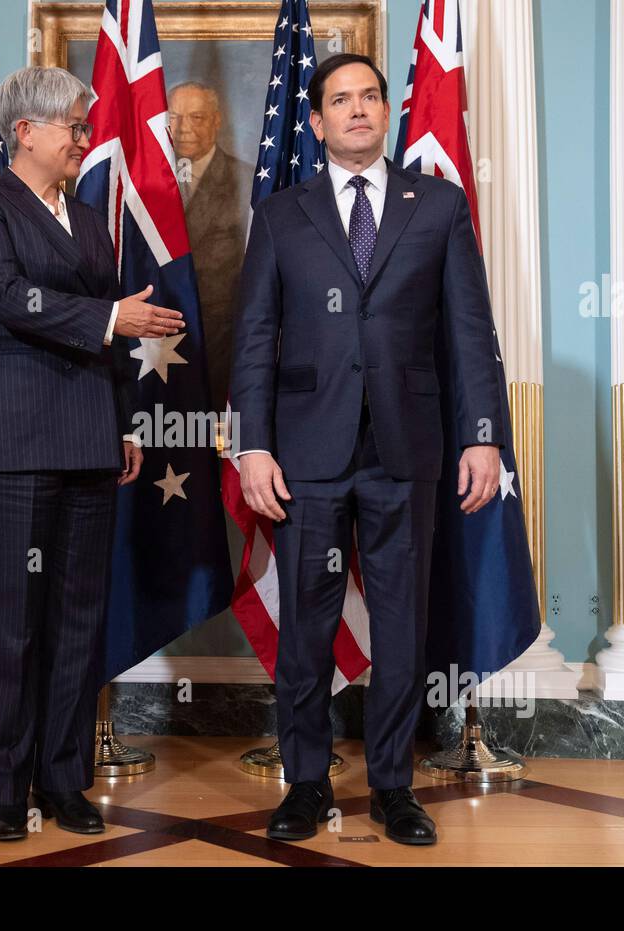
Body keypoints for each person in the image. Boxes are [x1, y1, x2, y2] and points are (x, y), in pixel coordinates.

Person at [229, 53, 506, 846]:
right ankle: (306, 784)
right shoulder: (283, 215)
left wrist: (483, 437)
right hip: (306, 455)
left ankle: (393, 788)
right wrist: (251, 448)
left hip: (405, 450)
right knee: (307, 631)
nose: (358, 110)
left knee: (402, 627)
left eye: (370, 97)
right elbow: (252, 340)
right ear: (315, 124)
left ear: (388, 113)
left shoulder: (440, 206)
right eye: (341, 101)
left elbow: (468, 334)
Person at [0, 66, 185, 841]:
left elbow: (107, 344)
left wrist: (121, 424)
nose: (85, 140)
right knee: (12, 625)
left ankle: (65, 777)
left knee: (79, 621)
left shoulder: (89, 222)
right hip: (8, 446)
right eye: (74, 128)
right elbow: (11, 300)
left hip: (88, 441)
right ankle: (7, 788)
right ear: (27, 132)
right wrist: (111, 315)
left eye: (85, 128)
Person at [167, 81, 251, 415]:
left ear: (217, 121)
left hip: (222, 348)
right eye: (175, 117)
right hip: (155, 345)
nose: (184, 129)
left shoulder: (246, 181)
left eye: (197, 117)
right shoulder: (141, 182)